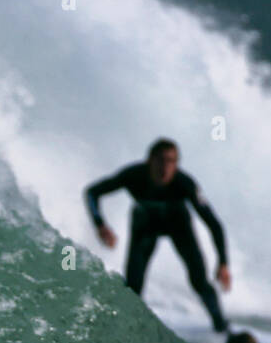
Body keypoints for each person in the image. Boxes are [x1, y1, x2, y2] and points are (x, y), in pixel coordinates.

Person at [85, 138, 231, 332]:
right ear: (149, 161)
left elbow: (214, 223)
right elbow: (92, 192)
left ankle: (220, 326)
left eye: (171, 161)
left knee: (199, 281)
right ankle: (128, 327)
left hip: (178, 225)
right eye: (161, 160)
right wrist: (100, 225)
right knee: (133, 287)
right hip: (145, 225)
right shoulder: (133, 175)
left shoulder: (184, 183)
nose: (165, 167)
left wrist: (223, 263)